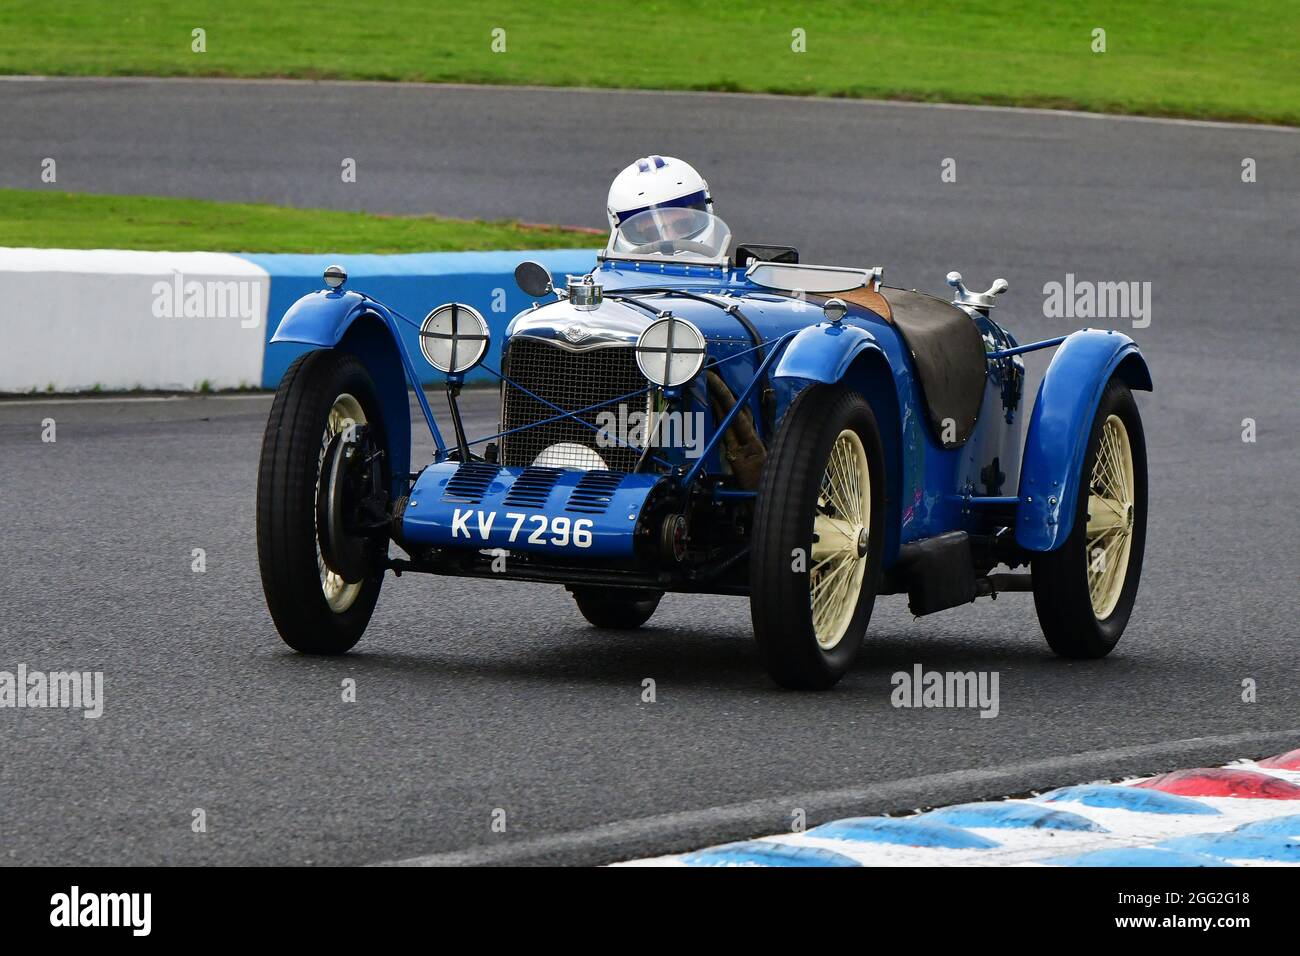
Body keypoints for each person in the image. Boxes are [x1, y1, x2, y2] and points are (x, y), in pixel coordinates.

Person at [606, 155, 719, 251]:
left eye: (682, 225)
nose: (670, 239)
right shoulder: (605, 277)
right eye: (652, 232)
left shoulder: (730, 275)